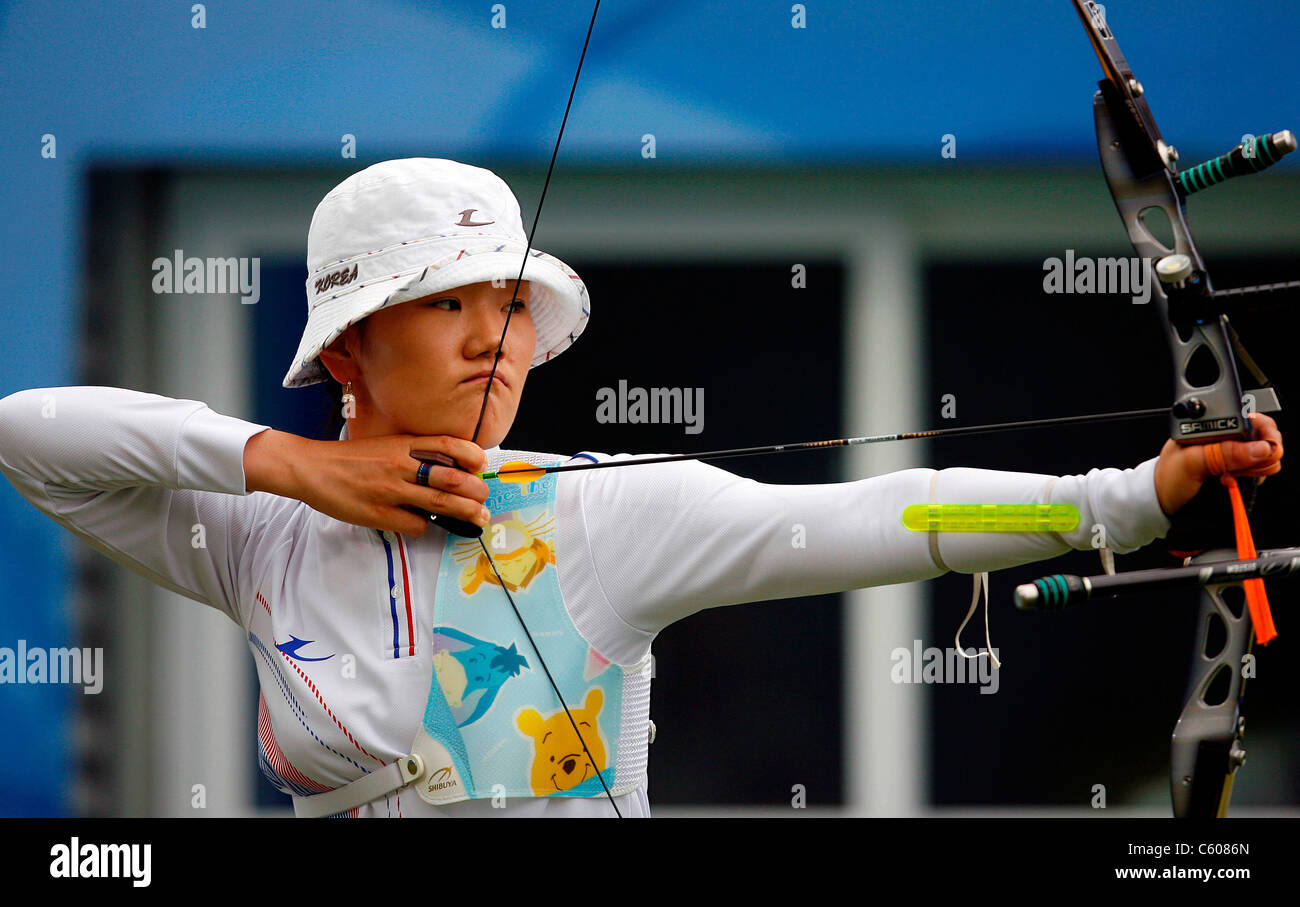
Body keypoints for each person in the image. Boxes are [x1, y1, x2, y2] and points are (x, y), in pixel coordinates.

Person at [0, 158, 1283, 818]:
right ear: (348, 347)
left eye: (509, 307)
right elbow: (28, 431)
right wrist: (292, 463)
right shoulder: (257, 533)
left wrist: (1128, 494)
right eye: (447, 304)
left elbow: (892, 511)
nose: (491, 339)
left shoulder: (598, 514)